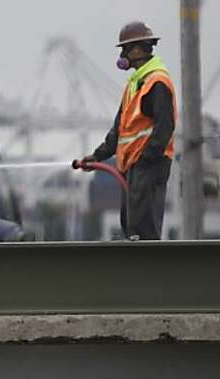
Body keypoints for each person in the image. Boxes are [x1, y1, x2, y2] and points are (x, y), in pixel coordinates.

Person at [75, 21, 177, 241]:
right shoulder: (135, 83)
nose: (122, 54)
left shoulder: (157, 82)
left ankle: (146, 270)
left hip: (149, 164)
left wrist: (146, 158)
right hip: (133, 166)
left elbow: (165, 127)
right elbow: (119, 131)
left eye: (125, 48)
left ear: (140, 48)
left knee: (143, 228)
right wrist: (97, 157)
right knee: (130, 225)